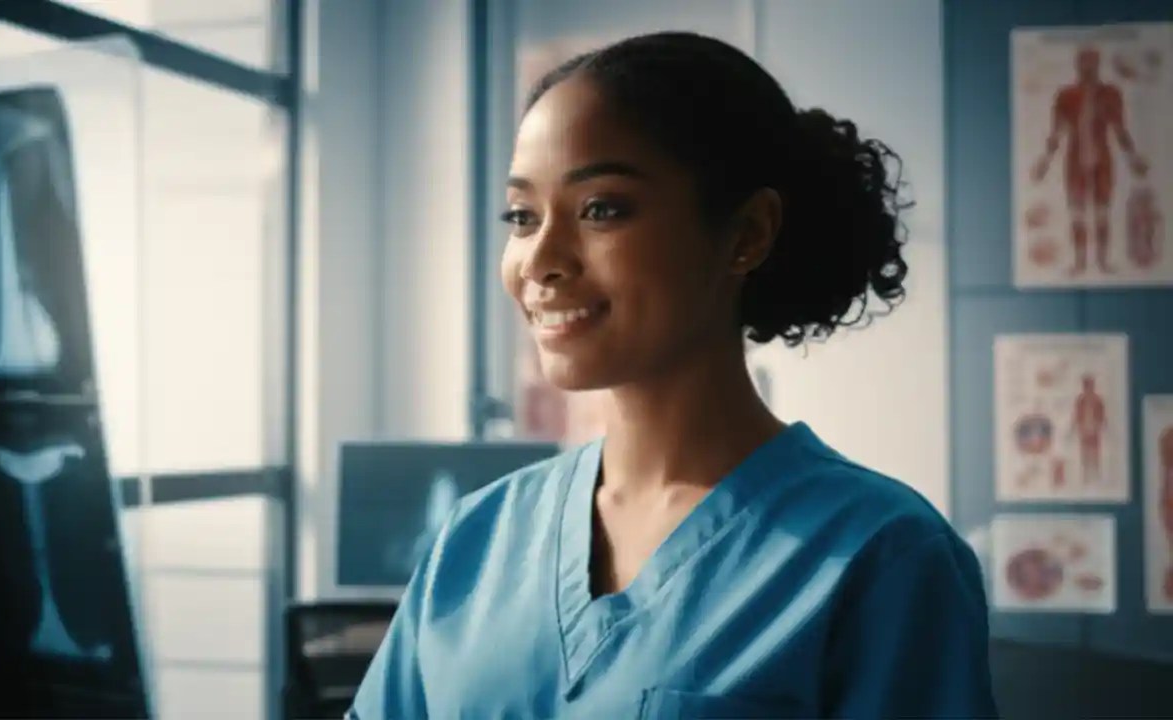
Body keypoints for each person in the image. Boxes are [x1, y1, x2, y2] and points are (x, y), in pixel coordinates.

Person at [350, 32, 998, 719]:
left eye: (601, 208)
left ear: (747, 234)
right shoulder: (475, 538)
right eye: (522, 216)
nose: (539, 259)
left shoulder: (879, 555)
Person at [1030, 46, 1149, 275]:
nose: (1087, 67)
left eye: (1091, 62)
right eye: (1083, 63)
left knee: (1102, 211)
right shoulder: (1066, 96)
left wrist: (1133, 159)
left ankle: (1103, 262)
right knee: (1077, 213)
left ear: (1098, 65)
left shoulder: (1111, 94)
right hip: (1075, 160)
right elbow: (1056, 133)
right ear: (1077, 65)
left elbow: (1119, 129)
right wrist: (1044, 162)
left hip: (1102, 159)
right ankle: (1080, 262)